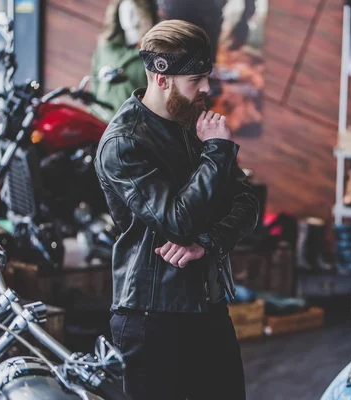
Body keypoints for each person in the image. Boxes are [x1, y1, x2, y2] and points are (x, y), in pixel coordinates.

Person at [94, 19, 259, 400]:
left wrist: (209, 241)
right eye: (195, 79)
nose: (206, 88)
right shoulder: (124, 143)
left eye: (207, 76)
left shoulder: (193, 123)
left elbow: (247, 202)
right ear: (161, 78)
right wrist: (217, 152)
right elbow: (177, 221)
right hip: (152, 318)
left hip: (209, 307)